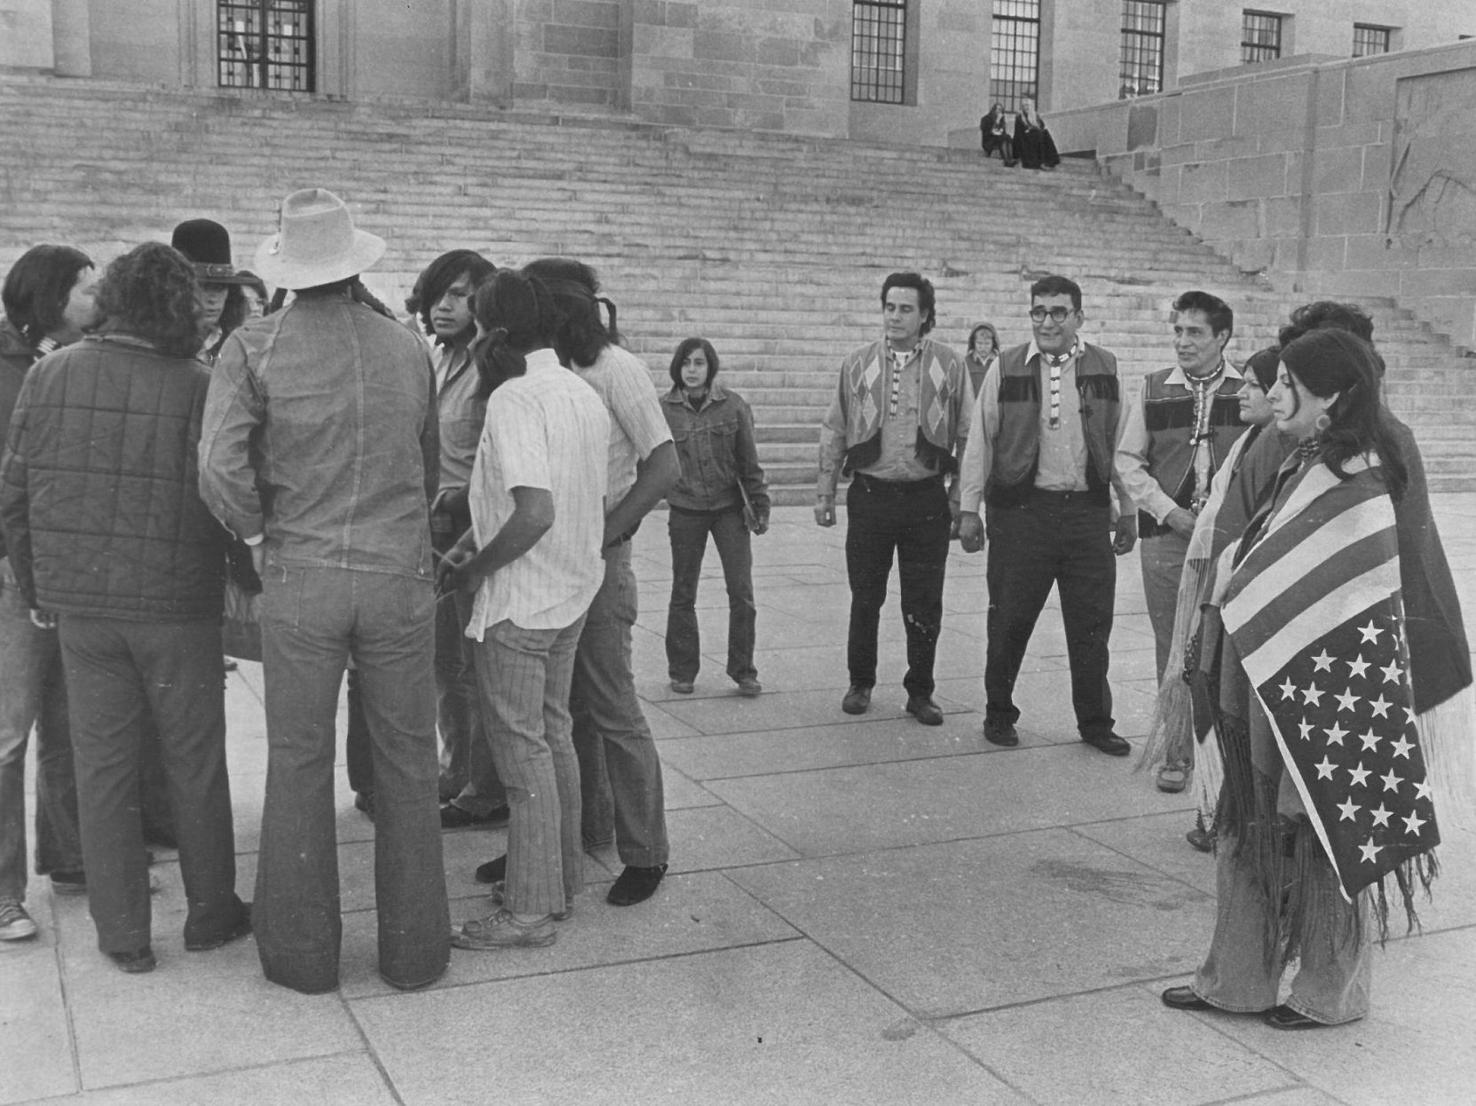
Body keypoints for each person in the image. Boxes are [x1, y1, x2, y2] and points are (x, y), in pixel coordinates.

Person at [1161, 327, 1471, 1029]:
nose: (1272, 392)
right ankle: (1236, 979)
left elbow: (1354, 594)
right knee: (1249, 821)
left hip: (1328, 690)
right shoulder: (1304, 457)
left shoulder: (1360, 476)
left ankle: (1331, 993)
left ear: (1330, 396)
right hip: (1266, 677)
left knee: (1328, 827)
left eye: (1288, 382)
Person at [199, 188, 450, 993]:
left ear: (287, 266)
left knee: (298, 761)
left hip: (302, 572)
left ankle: (303, 958)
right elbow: (428, 467)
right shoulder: (407, 346)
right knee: (408, 761)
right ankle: (415, 954)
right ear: (352, 263)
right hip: (397, 572)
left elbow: (218, 467)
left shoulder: (252, 346)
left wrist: (257, 535)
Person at [0, 242, 250, 973]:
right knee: (194, 761)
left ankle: (123, 935)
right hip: (178, 606)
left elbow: (15, 498)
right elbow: (224, 491)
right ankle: (211, 912)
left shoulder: (49, 373)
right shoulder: (200, 383)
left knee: (102, 767)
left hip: (82, 610)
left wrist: (40, 590)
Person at [476, 257, 679, 908]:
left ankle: (644, 850)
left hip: (595, 555)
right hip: (548, 558)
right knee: (557, 716)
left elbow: (664, 465)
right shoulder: (547, 370)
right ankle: (557, 841)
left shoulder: (616, 369)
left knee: (611, 705)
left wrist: (604, 532)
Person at [440, 267, 609, 950]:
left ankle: (531, 910)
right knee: (552, 735)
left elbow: (534, 511)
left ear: (493, 329)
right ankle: (555, 881)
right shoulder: (577, 389)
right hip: (570, 590)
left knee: (522, 756)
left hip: (522, 600)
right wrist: (471, 542)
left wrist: (475, 570)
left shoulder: (514, 397)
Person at [957, 274, 1137, 755]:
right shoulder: (1006, 366)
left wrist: (1128, 509)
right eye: (1039, 312)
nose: (1048, 322)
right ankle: (999, 713)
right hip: (1022, 514)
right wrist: (969, 509)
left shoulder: (1105, 366)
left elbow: (1120, 443)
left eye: (1059, 312)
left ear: (1079, 317)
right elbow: (980, 440)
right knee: (1009, 620)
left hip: (1086, 514)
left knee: (1091, 625)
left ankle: (1096, 723)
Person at [1139, 346, 1293, 850]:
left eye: (1256, 385)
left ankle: (1227, 815)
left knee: (1234, 709)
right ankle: (1219, 810)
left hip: (1242, 592)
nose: (1245, 392)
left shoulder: (1273, 445)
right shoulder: (1253, 441)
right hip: (1221, 584)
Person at [816, 272, 972, 726]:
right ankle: (860, 682)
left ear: (925, 315)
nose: (895, 317)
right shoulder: (857, 363)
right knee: (865, 595)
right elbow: (835, 428)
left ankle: (920, 692)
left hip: (926, 499)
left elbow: (968, 433)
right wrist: (825, 491)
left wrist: (960, 496)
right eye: (890, 307)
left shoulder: (950, 364)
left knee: (924, 601)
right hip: (871, 496)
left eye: (906, 309)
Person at [0, 245, 97, 941]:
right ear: (52, 296)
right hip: (14, 571)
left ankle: (70, 856)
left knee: (69, 721)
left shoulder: (77, 359)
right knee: (9, 731)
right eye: (88, 288)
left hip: (71, 569)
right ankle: (3, 892)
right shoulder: (10, 370)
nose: (99, 299)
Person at [398, 250, 514, 831]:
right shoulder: (436, 358)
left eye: (462, 295)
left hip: (472, 527)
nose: (446, 305)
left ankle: (483, 787)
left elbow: (504, 457)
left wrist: (463, 497)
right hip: (431, 525)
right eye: (440, 293)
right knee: (444, 662)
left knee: (472, 665)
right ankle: (456, 769)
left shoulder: (492, 367)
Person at [1116, 290, 1248, 792]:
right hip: (1167, 539)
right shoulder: (1154, 388)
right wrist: (1168, 512)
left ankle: (1227, 757)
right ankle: (1176, 752)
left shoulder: (1248, 388)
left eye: (1195, 332)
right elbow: (1128, 460)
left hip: (1230, 542)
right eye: (1178, 331)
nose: (1183, 341)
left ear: (1222, 337)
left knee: (1227, 646)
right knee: (1173, 644)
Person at [661, 337, 770, 698]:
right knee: (683, 591)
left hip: (728, 508)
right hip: (686, 509)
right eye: (686, 363)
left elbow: (749, 461)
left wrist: (760, 503)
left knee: (741, 591)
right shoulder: (663, 409)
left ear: (710, 368)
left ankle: (744, 670)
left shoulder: (733, 406)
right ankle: (682, 670)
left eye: (699, 363)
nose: (692, 370)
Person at [170, 219, 256, 363]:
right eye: (203, 287)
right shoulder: (155, 341)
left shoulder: (240, 343)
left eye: (221, 288)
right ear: (179, 289)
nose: (213, 298)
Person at [1014, 97, 1060, 171]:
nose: (1026, 107)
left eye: (1028, 105)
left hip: (1035, 135)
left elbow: (1042, 125)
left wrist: (1035, 123)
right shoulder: (1019, 116)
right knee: (1039, 135)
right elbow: (1019, 132)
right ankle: (1041, 162)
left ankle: (1051, 159)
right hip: (1025, 138)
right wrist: (1029, 129)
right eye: (1024, 105)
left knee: (1045, 133)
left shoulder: (1035, 114)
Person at [965, 322, 1000, 397]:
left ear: (993, 343)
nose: (983, 347)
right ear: (973, 343)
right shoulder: (966, 362)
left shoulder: (999, 363)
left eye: (987, 343)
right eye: (979, 343)